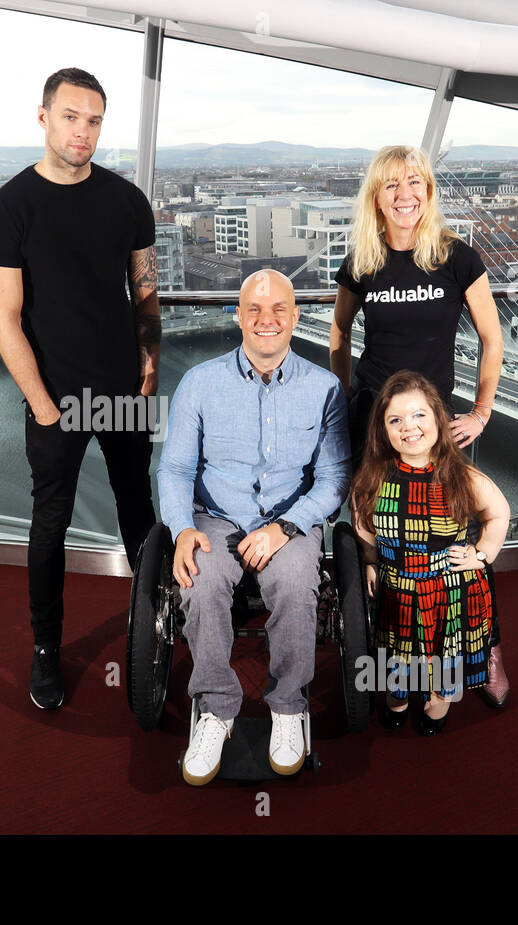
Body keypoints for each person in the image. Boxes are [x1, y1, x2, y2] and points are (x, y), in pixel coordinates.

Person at [0, 68, 160, 711]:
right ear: (43, 117)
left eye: (94, 121)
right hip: (53, 397)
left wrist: (148, 371)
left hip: (121, 392)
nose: (83, 132)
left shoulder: (127, 201)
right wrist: (45, 406)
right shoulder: (8, 209)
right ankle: (47, 651)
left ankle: (159, 622)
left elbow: (145, 295)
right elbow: (4, 319)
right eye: (71, 117)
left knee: (139, 508)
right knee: (49, 524)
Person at [328, 143, 511, 707]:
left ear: (428, 193)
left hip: (436, 424)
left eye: (415, 183)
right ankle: (394, 659)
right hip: (377, 421)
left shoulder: (457, 257)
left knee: (455, 537)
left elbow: (491, 339)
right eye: (392, 185)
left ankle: (487, 648)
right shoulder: (363, 261)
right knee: (383, 542)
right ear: (377, 198)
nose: (405, 194)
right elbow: (337, 336)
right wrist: (346, 399)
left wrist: (481, 411)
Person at [158, 270, 350, 785]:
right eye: (255, 310)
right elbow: (175, 470)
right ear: (239, 317)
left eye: (279, 309)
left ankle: (288, 707)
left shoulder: (325, 388)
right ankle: (216, 708)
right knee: (198, 579)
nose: (268, 320)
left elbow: (333, 479)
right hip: (215, 519)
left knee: (292, 581)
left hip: (290, 521)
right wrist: (180, 528)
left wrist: (286, 526)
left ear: (296, 316)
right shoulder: (200, 383)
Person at [351, 370, 510, 735]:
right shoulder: (374, 478)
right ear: (384, 430)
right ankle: (399, 697)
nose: (410, 427)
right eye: (396, 420)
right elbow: (362, 522)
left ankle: (438, 698)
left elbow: (499, 512)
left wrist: (481, 555)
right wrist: (372, 561)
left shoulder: (460, 476)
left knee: (444, 653)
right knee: (397, 652)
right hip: (398, 588)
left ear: (438, 419)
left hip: (449, 590)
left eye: (419, 415)